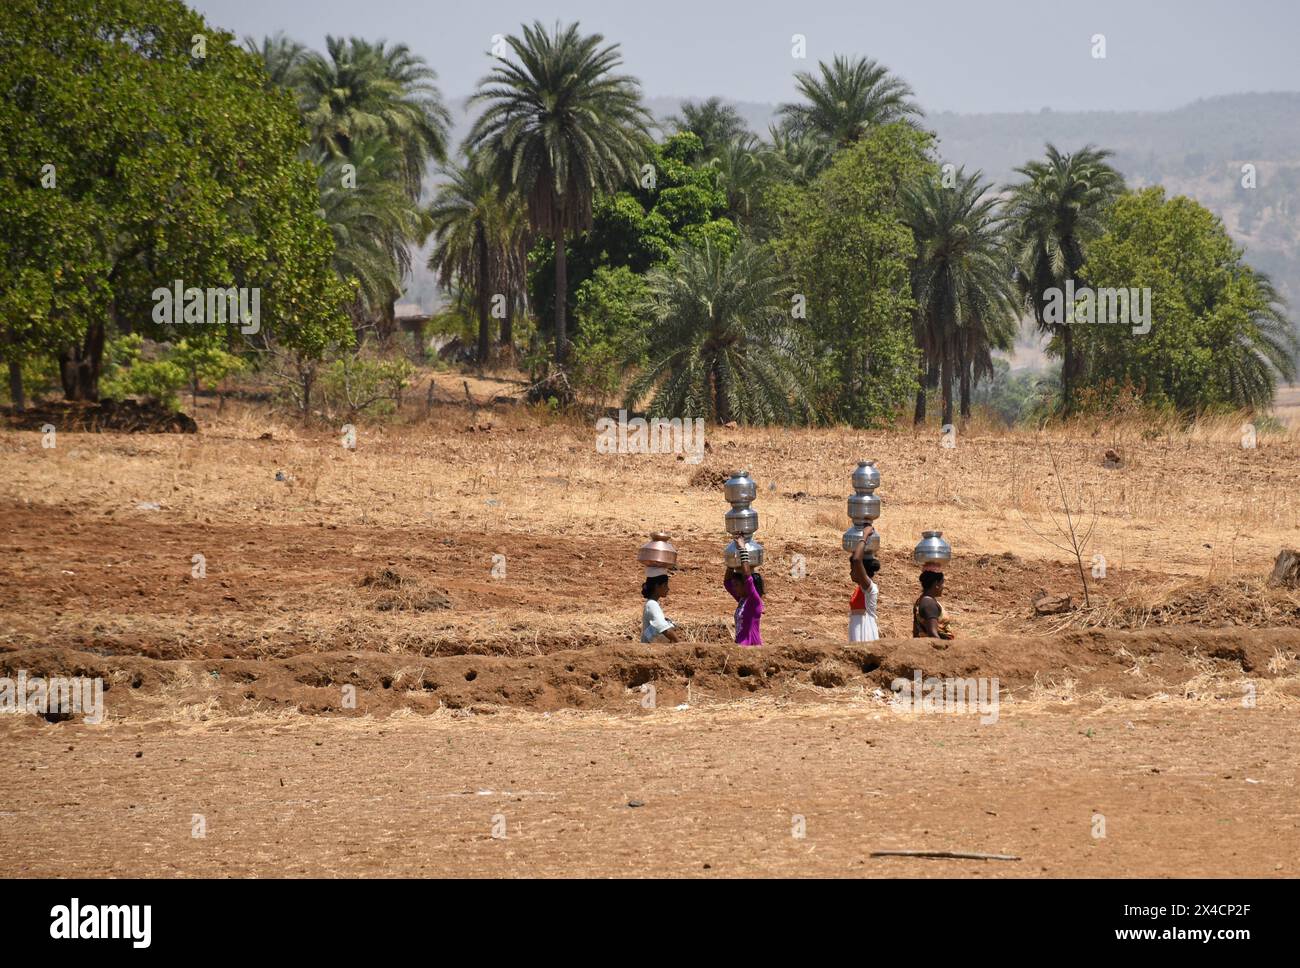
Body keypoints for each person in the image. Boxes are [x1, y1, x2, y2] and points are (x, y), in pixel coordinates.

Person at [723, 537, 764, 646]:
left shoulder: (754, 602)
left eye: (737, 585)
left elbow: (747, 577)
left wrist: (742, 550)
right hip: (739, 645)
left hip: (751, 648)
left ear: (745, 586)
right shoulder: (743, 600)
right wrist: (731, 559)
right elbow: (727, 582)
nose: (734, 588)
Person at [849, 531, 881, 642]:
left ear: (861, 571)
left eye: (852, 570)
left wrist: (865, 536)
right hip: (858, 634)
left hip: (866, 633)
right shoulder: (859, 589)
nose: (850, 573)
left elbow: (857, 560)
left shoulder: (869, 589)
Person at [913, 570, 955, 639]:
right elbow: (933, 634)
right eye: (942, 583)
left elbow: (916, 631)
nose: (944, 587)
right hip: (937, 648)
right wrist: (941, 648)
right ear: (936, 584)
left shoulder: (922, 600)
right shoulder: (929, 604)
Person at [641, 570, 680, 643]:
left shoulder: (651, 604)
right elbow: (664, 628)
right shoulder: (652, 604)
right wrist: (681, 645)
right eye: (665, 585)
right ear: (657, 586)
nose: (668, 589)